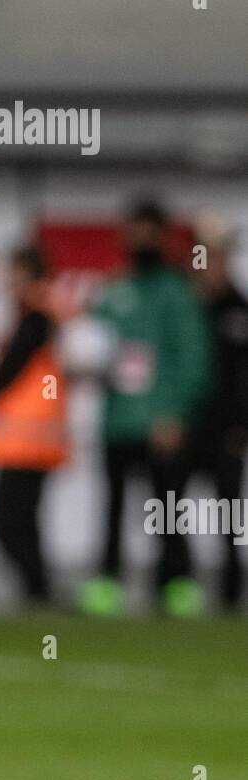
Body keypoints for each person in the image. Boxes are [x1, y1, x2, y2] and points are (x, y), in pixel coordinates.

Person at [81, 199, 211, 616]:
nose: (140, 239)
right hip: (118, 421)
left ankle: (176, 584)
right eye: (133, 230)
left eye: (148, 231)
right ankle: (106, 583)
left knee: (167, 509)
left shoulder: (176, 292)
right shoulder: (113, 290)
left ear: (161, 236)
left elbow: (193, 357)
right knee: (113, 508)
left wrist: (174, 413)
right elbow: (92, 349)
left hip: (160, 422)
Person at [0, 246, 68, 604]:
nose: (8, 282)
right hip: (29, 438)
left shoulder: (37, 318)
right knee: (23, 521)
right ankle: (39, 592)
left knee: (6, 521)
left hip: (28, 438)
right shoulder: (41, 316)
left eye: (15, 274)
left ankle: (39, 590)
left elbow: (10, 366)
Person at [180, 212, 248, 610]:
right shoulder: (184, 309)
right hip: (186, 425)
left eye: (219, 255)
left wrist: (243, 424)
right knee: (170, 510)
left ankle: (230, 593)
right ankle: (179, 588)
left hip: (227, 430)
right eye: (205, 255)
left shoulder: (239, 309)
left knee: (228, 514)